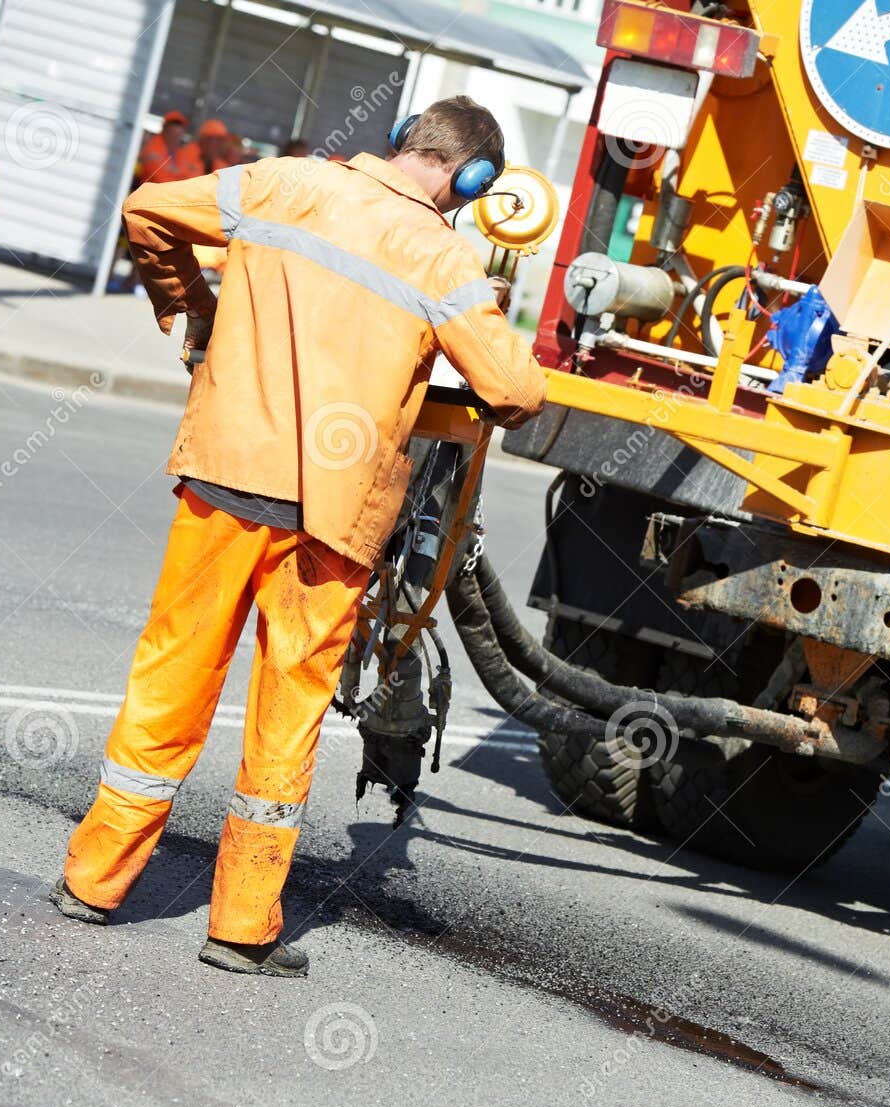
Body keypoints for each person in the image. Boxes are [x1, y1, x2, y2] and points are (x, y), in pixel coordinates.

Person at [51, 96, 545, 977]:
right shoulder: (441, 252)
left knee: (170, 675)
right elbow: (513, 392)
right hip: (331, 517)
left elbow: (146, 211)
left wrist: (193, 311)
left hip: (224, 476)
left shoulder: (279, 184)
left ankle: (94, 879)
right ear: (470, 180)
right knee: (287, 714)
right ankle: (240, 926)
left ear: (403, 142)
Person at [138, 110, 188, 184]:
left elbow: (186, 175)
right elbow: (158, 177)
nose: (177, 129)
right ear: (165, 127)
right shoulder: (152, 145)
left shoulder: (180, 152)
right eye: (173, 124)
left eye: (180, 126)